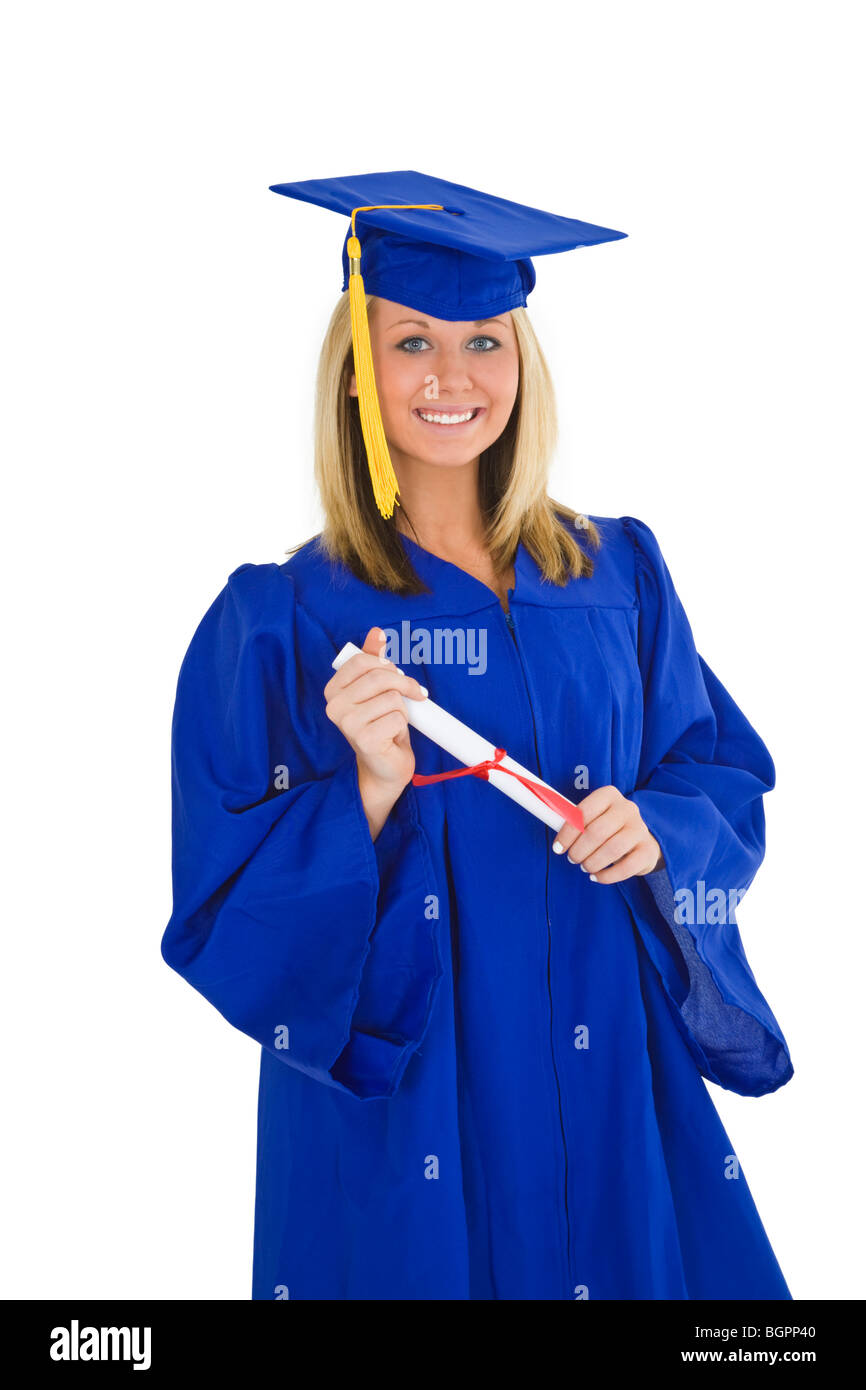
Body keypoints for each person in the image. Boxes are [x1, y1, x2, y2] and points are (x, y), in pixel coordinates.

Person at [161, 172, 793, 1300]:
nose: (450, 378)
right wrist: (357, 793)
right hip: (419, 1088)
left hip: (607, 1062)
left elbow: (720, 774)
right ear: (357, 370)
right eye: (409, 341)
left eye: (483, 343)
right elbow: (219, 904)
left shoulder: (617, 574)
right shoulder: (285, 620)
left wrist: (653, 828)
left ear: (523, 365)